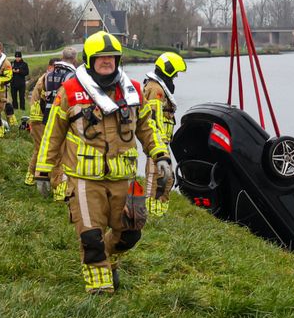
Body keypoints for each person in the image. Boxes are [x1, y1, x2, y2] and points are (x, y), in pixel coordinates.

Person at [35, 31, 173, 294]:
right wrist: (43, 172)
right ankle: (100, 289)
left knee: (131, 233)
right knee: (90, 236)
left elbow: (147, 127)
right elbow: (53, 134)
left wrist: (160, 155)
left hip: (125, 178)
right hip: (85, 180)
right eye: (101, 58)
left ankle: (108, 261)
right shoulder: (71, 91)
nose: (107, 62)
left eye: (111, 57)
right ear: (89, 60)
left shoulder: (132, 90)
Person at [25, 47, 78, 192]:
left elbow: (42, 95)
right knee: (61, 153)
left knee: (45, 149)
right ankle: (59, 187)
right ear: (74, 59)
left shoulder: (48, 75)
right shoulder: (73, 76)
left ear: (62, 56)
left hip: (47, 115)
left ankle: (35, 178)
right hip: (63, 117)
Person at [141, 52, 186, 218]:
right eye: (174, 73)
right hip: (157, 142)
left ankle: (159, 212)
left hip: (162, 142)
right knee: (157, 176)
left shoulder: (158, 87)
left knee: (167, 177)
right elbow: (153, 118)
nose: (175, 77)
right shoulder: (156, 89)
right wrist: (157, 142)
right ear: (168, 69)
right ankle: (151, 212)